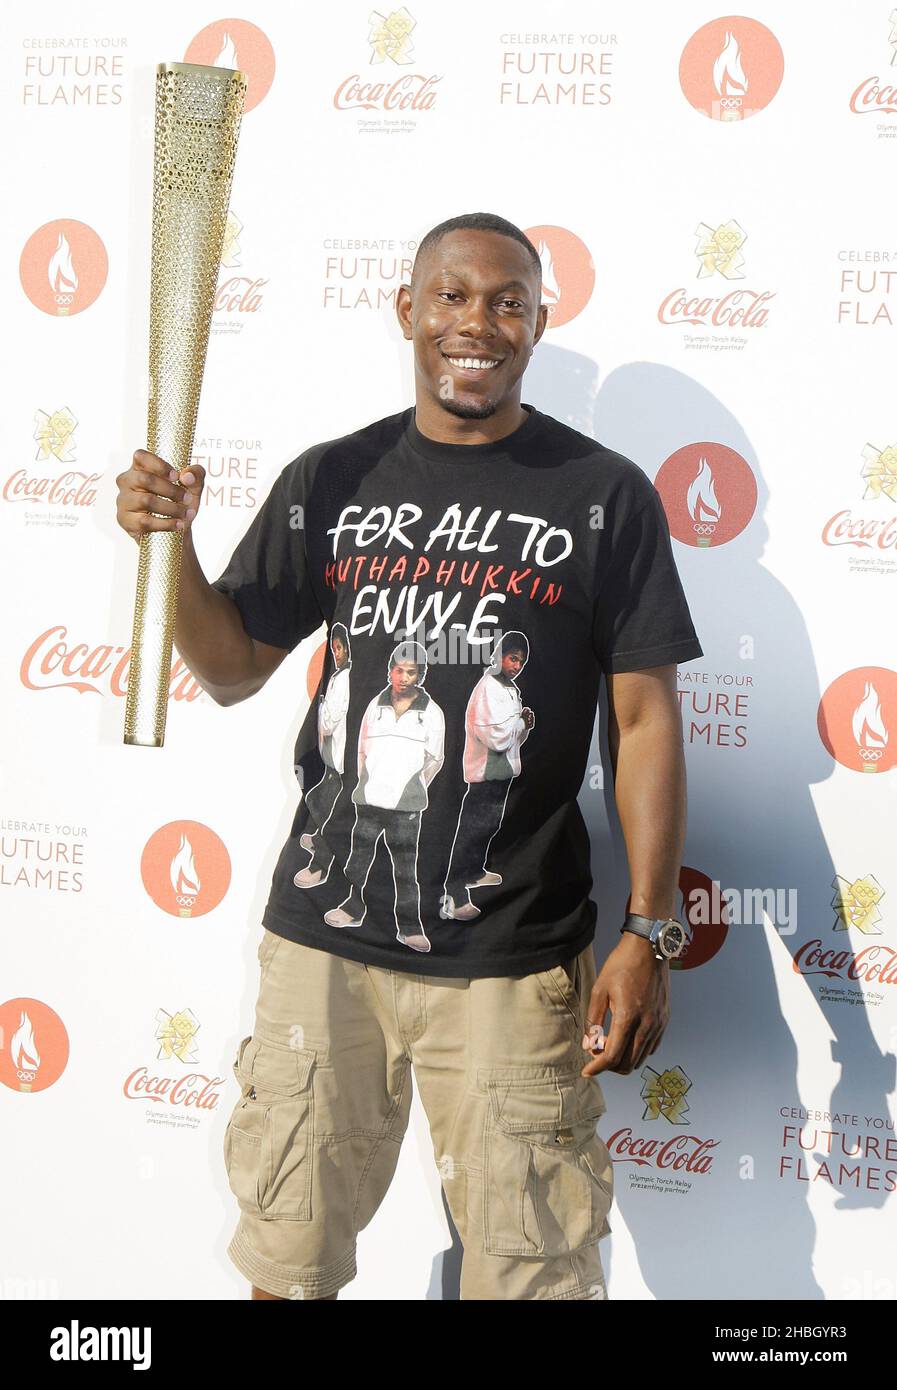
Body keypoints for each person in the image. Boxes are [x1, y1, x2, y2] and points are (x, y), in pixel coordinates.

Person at [115, 211, 703, 1301]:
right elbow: (234, 663)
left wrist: (649, 929)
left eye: (507, 301)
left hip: (511, 956)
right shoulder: (333, 476)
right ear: (407, 308)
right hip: (324, 946)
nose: (476, 323)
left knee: (531, 1273)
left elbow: (644, 723)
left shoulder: (603, 493)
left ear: (537, 321)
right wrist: (171, 546)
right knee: (286, 1263)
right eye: (451, 296)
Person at [441, 631, 533, 921]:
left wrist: (524, 726)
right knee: (470, 830)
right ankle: (454, 891)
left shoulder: (510, 689)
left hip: (502, 771)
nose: (516, 665)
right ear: (499, 656)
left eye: (521, 661)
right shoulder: (488, 687)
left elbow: (513, 738)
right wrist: (520, 722)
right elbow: (496, 735)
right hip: (484, 772)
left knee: (488, 825)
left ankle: (473, 871)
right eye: (512, 658)